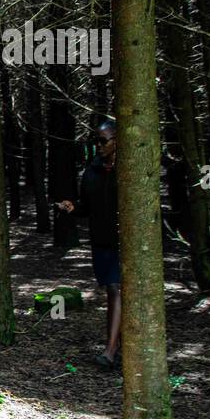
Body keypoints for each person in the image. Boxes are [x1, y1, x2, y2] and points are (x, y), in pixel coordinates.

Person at [57, 120, 121, 369]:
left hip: (122, 242)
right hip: (101, 241)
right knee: (111, 290)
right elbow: (86, 206)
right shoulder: (92, 170)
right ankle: (116, 344)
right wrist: (72, 208)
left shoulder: (127, 170)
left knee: (116, 289)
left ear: (117, 141)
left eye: (103, 141)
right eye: (96, 141)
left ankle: (110, 350)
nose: (99, 146)